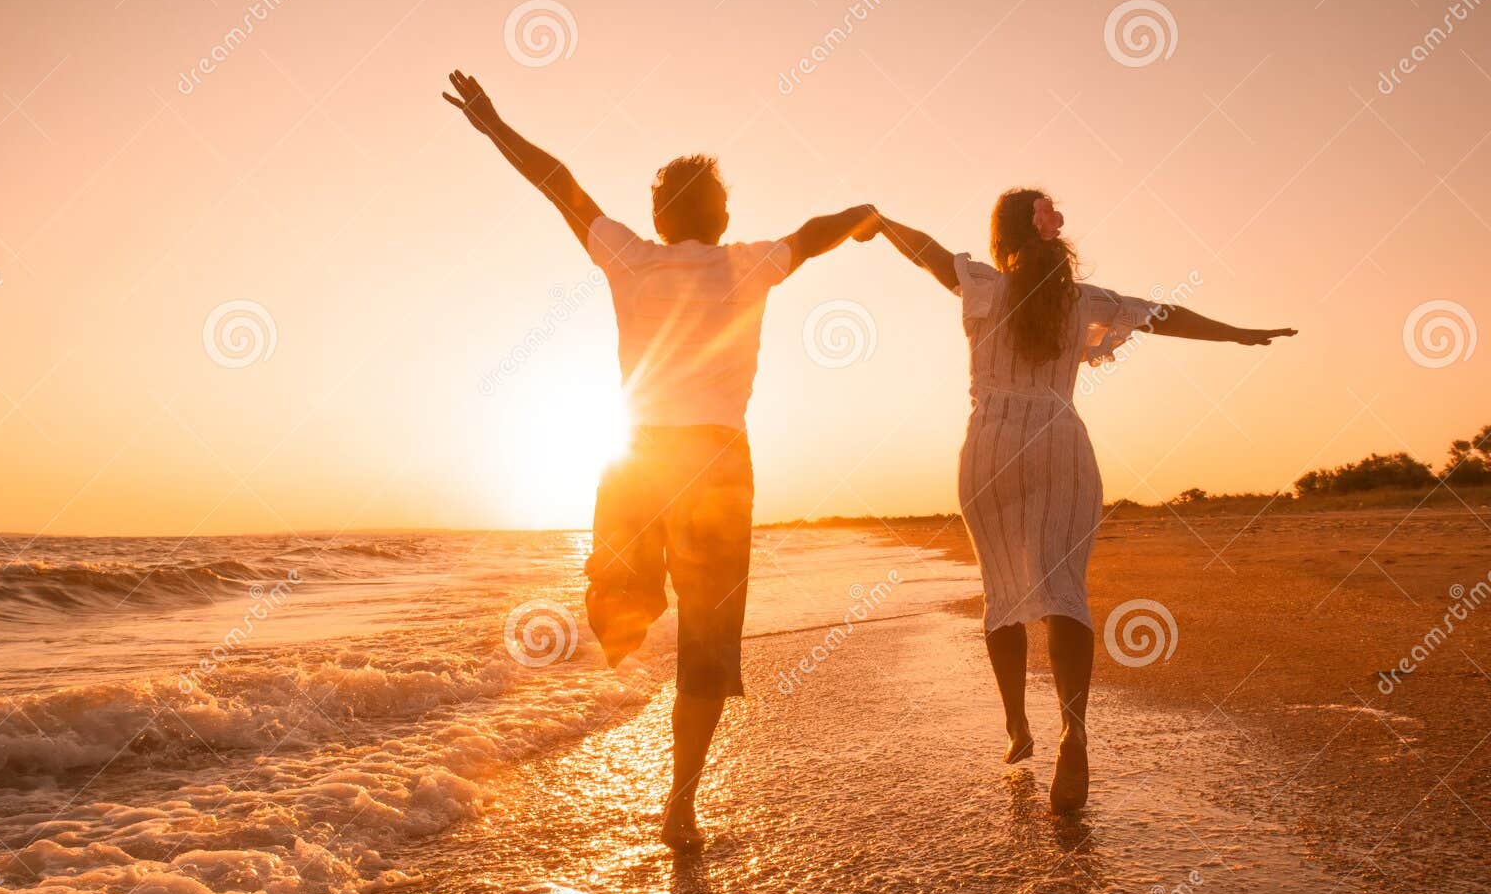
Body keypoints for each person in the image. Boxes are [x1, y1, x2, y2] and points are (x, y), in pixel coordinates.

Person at [442, 71, 877, 848]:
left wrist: (493, 124)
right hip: (716, 463)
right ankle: (680, 799)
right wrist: (864, 215)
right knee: (707, 652)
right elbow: (815, 229)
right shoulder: (749, 262)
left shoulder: (631, 256)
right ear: (722, 216)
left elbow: (561, 185)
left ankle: (626, 608)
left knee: (624, 606)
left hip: (638, 458)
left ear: (657, 215)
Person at [872, 190, 1295, 813]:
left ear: (1000, 237)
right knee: (1064, 590)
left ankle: (1017, 724)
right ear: (1049, 234)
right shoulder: (1081, 301)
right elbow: (1166, 315)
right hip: (1061, 443)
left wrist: (878, 221)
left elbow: (925, 251)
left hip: (990, 446)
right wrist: (1236, 335)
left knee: (1003, 594)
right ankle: (1074, 727)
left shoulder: (982, 286)